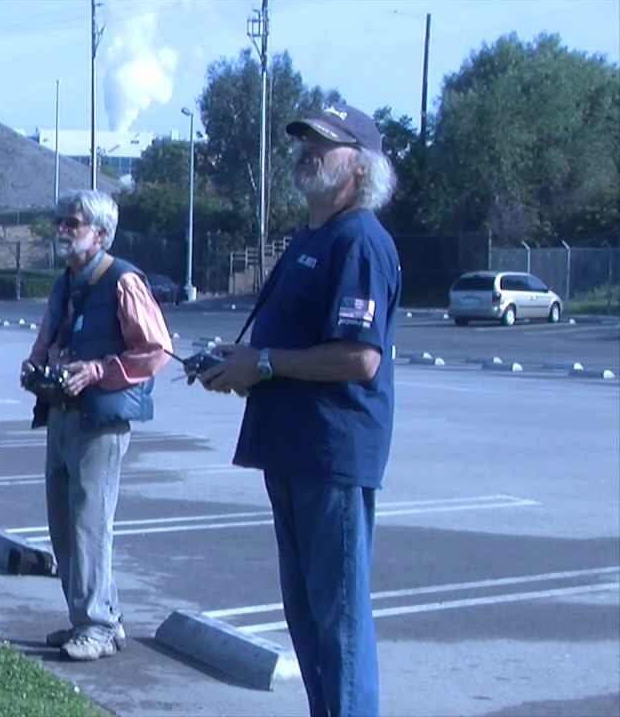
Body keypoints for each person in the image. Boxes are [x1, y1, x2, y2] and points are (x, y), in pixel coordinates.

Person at [197, 103, 401, 717]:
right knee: (309, 619)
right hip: (290, 449)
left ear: (360, 167)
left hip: (329, 454)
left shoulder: (360, 239)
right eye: (303, 141)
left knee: (337, 623)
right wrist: (239, 358)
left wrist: (260, 365)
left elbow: (359, 358)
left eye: (325, 144)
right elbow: (287, 341)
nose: (307, 150)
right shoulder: (314, 237)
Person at [21, 189, 172, 662]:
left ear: (101, 234)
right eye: (60, 221)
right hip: (60, 414)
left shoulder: (123, 281)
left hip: (99, 419)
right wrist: (35, 367)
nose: (62, 230)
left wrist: (97, 370)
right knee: (63, 524)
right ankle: (92, 615)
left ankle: (97, 626)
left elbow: (154, 349)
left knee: (89, 523)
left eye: (74, 223)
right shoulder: (66, 281)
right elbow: (48, 337)